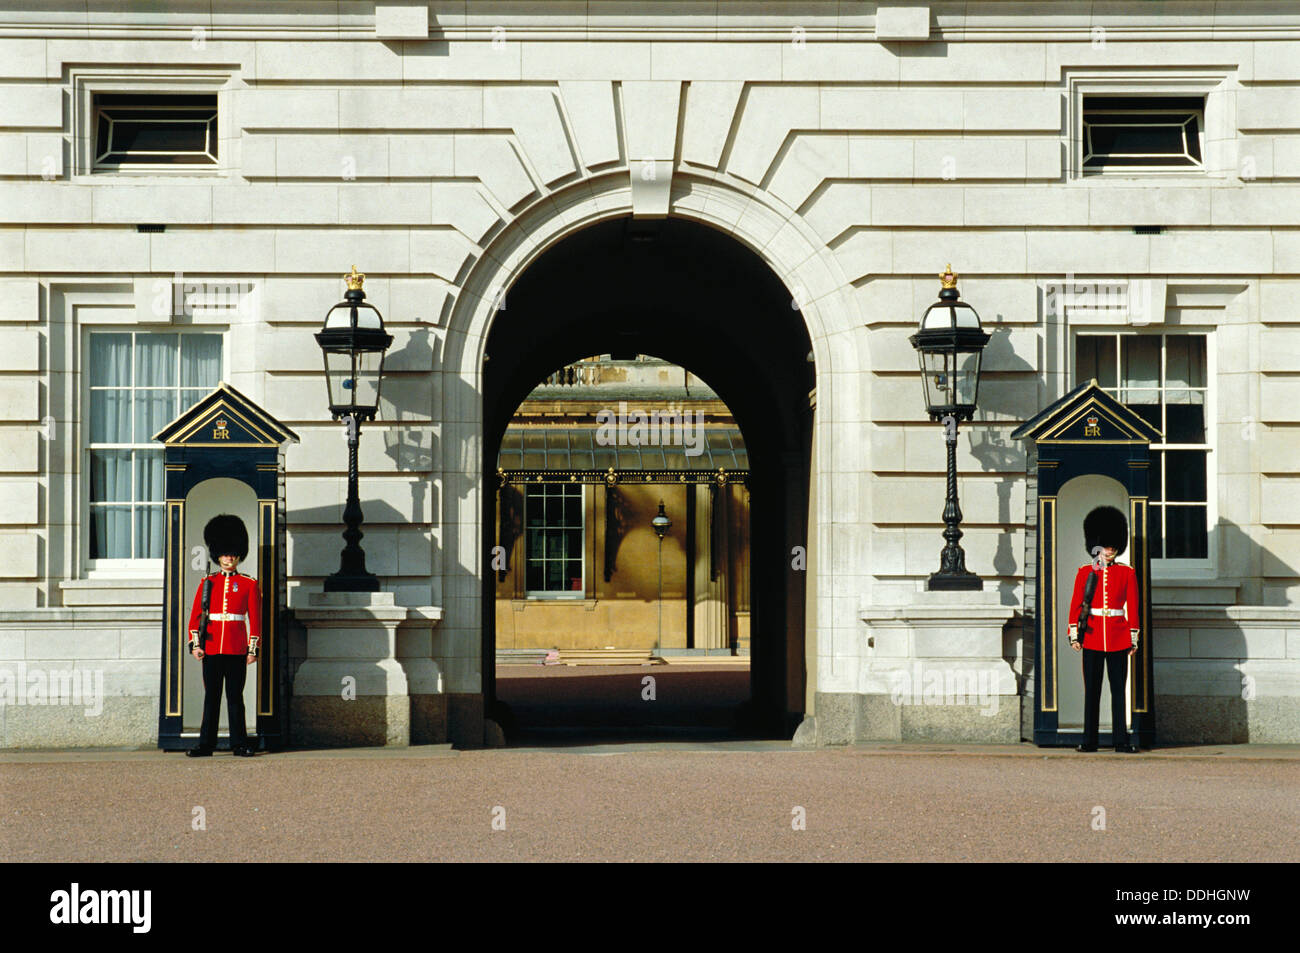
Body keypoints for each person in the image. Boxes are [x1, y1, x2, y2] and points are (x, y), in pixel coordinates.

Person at [186, 514, 261, 758]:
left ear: (239, 555)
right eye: (225, 554)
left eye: (233, 554)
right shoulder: (207, 582)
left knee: (235, 698)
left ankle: (239, 743)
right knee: (212, 698)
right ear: (217, 555)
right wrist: (196, 645)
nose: (229, 558)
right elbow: (196, 616)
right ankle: (206, 744)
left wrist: (252, 649)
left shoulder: (248, 584)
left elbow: (255, 619)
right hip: (211, 647)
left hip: (237, 648)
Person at [1068, 505, 1140, 753]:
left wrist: (1133, 637)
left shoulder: (1127, 573)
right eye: (1105, 546)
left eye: (1112, 547)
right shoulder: (1086, 573)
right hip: (1093, 636)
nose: (1109, 551)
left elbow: (1134, 606)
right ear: (1096, 546)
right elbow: (1076, 605)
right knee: (1093, 692)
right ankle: (1090, 741)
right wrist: (1075, 635)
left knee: (1119, 692)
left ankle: (1121, 741)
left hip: (1119, 637)